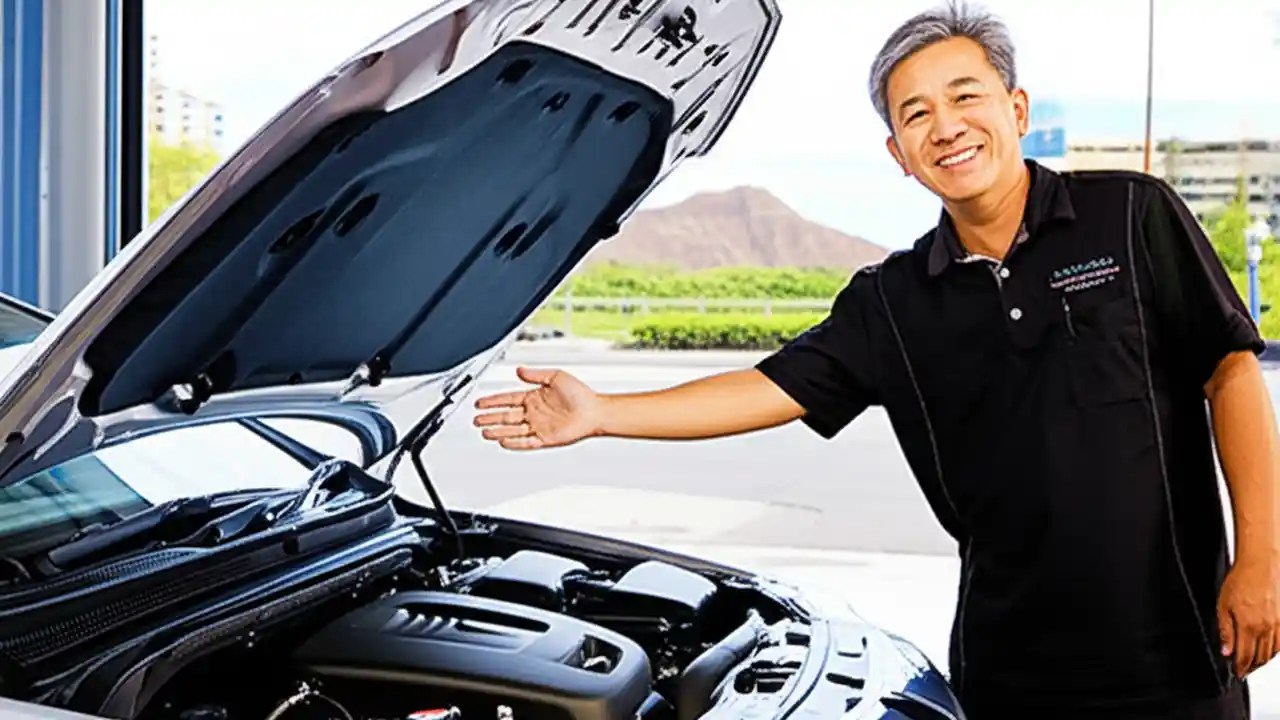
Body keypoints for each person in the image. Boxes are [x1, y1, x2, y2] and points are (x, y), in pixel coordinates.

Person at [471, 2, 1280, 717]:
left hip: (1176, 659)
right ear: (899, 153)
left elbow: (1230, 372)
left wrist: (1261, 561)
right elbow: (768, 387)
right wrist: (605, 414)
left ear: (1016, 106)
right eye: (917, 114)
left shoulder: (1131, 215)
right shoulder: (893, 300)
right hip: (1010, 675)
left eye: (966, 96)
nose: (948, 127)